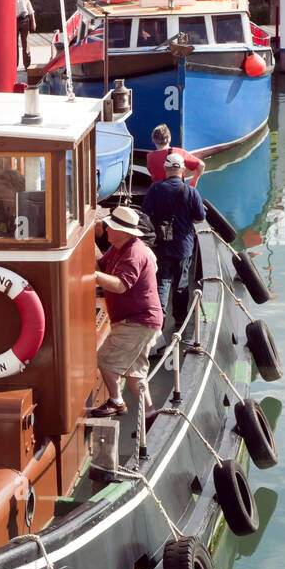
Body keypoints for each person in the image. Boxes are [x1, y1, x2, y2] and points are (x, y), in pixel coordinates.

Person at [93, 204, 163, 420]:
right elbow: (101, 264)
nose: (106, 230)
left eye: (110, 227)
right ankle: (149, 414)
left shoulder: (134, 253)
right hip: (140, 321)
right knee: (136, 372)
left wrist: (92, 277)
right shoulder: (119, 246)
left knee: (104, 359)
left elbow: (121, 285)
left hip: (137, 322)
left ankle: (116, 402)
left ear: (122, 232)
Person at [142, 152, 207, 327]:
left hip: (161, 245)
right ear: (183, 170)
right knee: (181, 283)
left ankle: (160, 320)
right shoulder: (191, 192)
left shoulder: (155, 188)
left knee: (162, 282)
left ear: (165, 169)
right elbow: (200, 218)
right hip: (184, 246)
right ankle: (180, 319)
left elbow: (144, 216)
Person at [16, 0, 35, 70]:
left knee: (26, 43)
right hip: (14, 21)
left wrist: (33, 22)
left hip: (24, 20)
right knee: (14, 44)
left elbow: (30, 8)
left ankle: (27, 65)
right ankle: (14, 65)